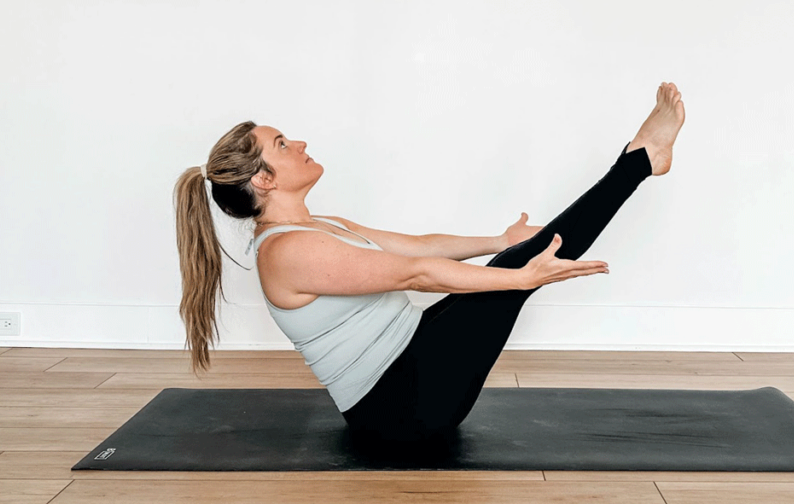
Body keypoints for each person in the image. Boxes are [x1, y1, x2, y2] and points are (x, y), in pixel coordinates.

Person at [173, 82, 686, 443]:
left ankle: (640, 159)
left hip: (410, 370)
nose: (300, 143)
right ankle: (640, 159)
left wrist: (498, 241)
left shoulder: (315, 226)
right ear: (263, 180)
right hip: (401, 409)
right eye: (282, 144)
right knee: (520, 268)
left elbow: (418, 247)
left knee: (518, 257)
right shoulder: (287, 251)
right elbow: (416, 275)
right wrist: (520, 277)